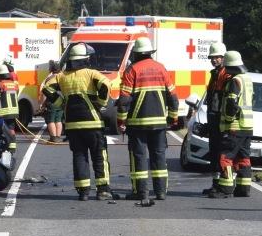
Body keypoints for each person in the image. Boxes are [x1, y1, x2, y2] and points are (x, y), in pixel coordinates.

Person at [42, 43, 113, 201]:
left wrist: (61, 103)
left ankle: (83, 191)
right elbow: (106, 85)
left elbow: (46, 88)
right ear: (85, 59)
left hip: (72, 125)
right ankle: (102, 190)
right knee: (99, 156)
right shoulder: (91, 73)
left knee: (79, 156)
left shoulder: (61, 76)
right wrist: (101, 103)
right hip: (93, 123)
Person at [116, 38, 179, 205]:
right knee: (159, 156)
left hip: (137, 124)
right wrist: (173, 118)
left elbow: (124, 100)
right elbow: (173, 97)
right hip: (159, 123)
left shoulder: (132, 70)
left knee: (139, 157)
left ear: (136, 54)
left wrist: (121, 121)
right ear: (150, 52)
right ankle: (160, 192)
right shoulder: (161, 68)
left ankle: (141, 192)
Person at [210, 50, 253, 198]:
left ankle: (225, 189)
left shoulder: (235, 81)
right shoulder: (247, 79)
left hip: (234, 127)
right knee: (243, 158)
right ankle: (243, 189)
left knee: (225, 157)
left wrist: (228, 120)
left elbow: (231, 104)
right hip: (247, 126)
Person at [202, 42, 229, 196]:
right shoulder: (215, 74)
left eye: (217, 57)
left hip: (221, 121)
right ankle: (215, 184)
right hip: (213, 119)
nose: (214, 60)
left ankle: (223, 186)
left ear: (223, 57)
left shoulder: (226, 74)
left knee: (221, 154)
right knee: (214, 153)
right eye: (212, 57)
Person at [0, 63, 20, 154]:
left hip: (2, 112)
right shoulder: (14, 84)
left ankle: (1, 148)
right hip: (13, 111)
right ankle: (12, 148)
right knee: (11, 129)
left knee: (0, 130)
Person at [39, 60, 64, 143]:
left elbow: (45, 92)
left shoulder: (50, 79)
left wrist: (42, 104)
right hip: (61, 101)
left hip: (52, 101)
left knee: (51, 120)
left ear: (51, 69)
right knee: (58, 120)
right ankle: (58, 137)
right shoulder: (62, 77)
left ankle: (53, 138)